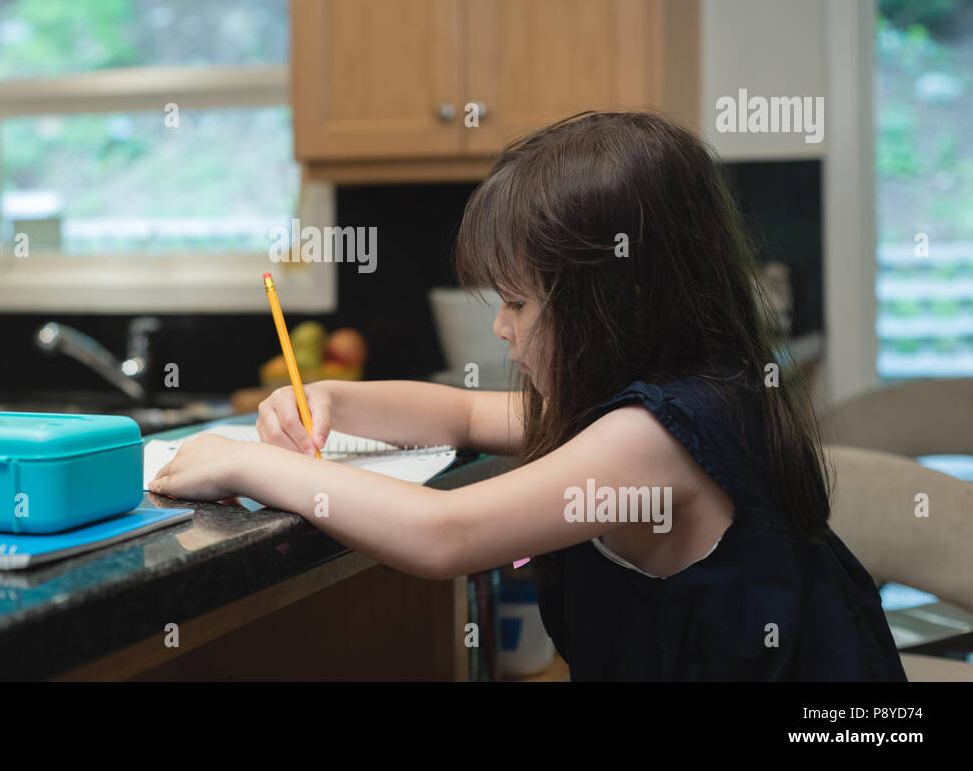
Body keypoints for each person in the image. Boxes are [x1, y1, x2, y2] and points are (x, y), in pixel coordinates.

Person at [149, 110, 907, 680]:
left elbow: (443, 532)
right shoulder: (671, 393)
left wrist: (245, 463)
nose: (503, 329)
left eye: (517, 302)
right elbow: (468, 411)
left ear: (619, 298)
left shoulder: (657, 436)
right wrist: (337, 401)